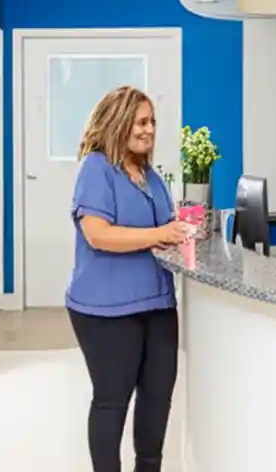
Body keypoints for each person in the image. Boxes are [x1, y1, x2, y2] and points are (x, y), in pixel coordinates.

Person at [69, 85, 191, 472]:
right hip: (105, 309)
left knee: (157, 399)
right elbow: (98, 234)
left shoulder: (149, 175)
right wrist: (159, 234)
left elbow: (163, 228)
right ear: (117, 123)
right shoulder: (97, 168)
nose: (149, 129)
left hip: (157, 304)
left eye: (152, 121)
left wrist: (183, 232)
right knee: (112, 400)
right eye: (140, 122)